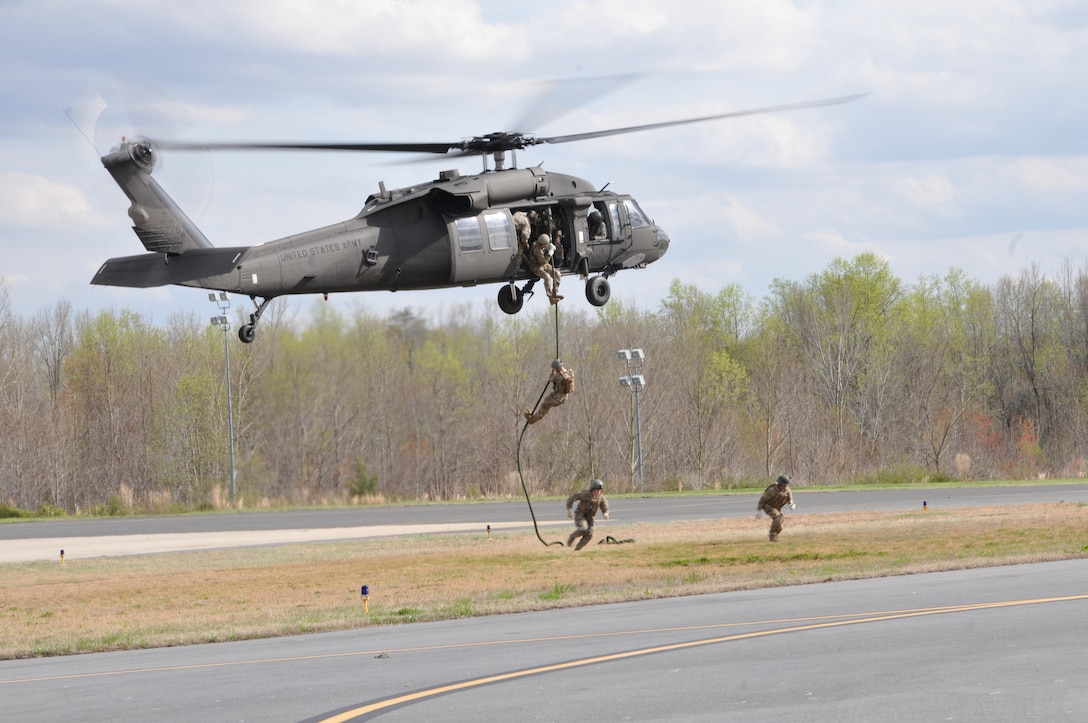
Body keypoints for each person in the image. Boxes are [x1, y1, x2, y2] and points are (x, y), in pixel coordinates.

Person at [524, 359, 574, 424]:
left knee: (545, 405)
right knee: (547, 402)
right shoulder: (569, 372)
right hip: (564, 397)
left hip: (558, 398)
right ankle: (535, 418)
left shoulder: (558, 376)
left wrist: (553, 372)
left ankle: (533, 419)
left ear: (556, 368)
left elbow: (551, 378)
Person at [566, 478, 609, 550]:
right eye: (596, 490)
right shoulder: (585, 494)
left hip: (590, 517)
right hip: (580, 514)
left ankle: (577, 549)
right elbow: (572, 498)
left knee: (590, 534)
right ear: (592, 489)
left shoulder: (600, 497)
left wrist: (605, 512)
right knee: (583, 528)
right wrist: (569, 509)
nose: (598, 492)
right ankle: (573, 536)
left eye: (600, 490)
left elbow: (604, 505)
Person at [756, 474, 796, 541]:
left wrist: (791, 504)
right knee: (778, 518)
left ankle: (774, 535)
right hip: (768, 506)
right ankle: (772, 534)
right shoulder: (772, 491)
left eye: (787, 485)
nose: (786, 486)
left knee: (780, 524)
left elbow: (790, 499)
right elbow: (762, 499)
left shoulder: (787, 490)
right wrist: (758, 510)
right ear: (780, 484)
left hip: (777, 508)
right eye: (784, 485)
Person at [529, 233, 562, 303]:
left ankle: (555, 293)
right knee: (547, 277)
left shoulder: (542, 246)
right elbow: (543, 262)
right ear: (542, 244)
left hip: (544, 265)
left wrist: (548, 247)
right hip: (536, 266)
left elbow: (545, 264)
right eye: (546, 244)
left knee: (557, 274)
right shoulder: (536, 249)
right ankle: (550, 297)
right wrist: (550, 253)